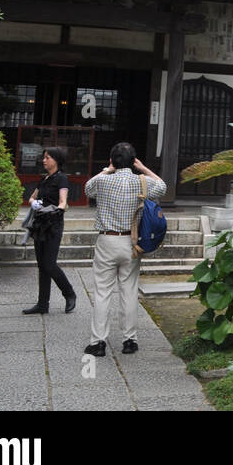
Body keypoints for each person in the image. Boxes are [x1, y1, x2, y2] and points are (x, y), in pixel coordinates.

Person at [82, 142, 167, 356]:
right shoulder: (142, 182)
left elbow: (87, 188)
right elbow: (163, 186)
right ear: (133, 162)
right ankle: (130, 341)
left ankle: (98, 342)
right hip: (132, 242)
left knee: (103, 292)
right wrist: (143, 168)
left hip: (107, 240)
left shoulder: (102, 181)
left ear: (112, 160)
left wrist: (106, 169)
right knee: (129, 291)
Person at [21, 147, 76, 315]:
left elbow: (63, 201)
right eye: (43, 157)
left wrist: (59, 208)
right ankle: (42, 304)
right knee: (42, 266)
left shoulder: (62, 179)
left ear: (56, 160)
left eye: (47, 157)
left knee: (50, 264)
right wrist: (33, 203)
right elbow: (32, 197)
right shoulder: (44, 179)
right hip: (39, 225)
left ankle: (69, 293)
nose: (44, 160)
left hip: (53, 224)